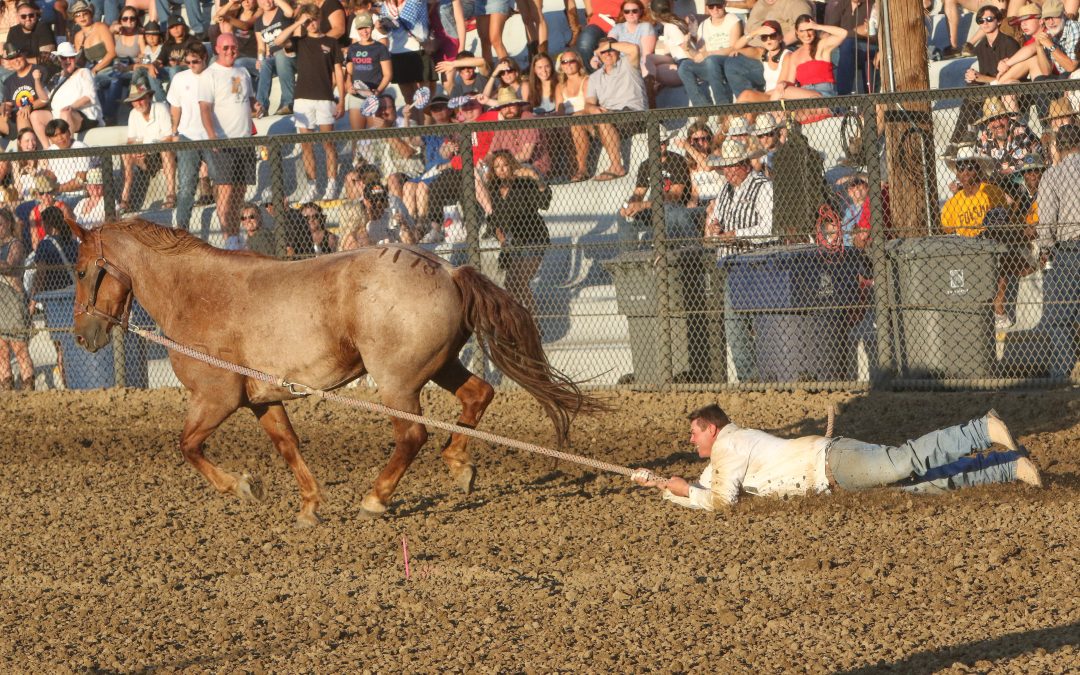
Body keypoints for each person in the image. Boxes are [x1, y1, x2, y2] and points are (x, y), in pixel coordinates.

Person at [631, 404, 1043, 511]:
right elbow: (707, 489)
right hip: (831, 476)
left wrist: (684, 490)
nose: (691, 439)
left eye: (694, 431)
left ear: (713, 429)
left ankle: (980, 430)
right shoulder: (723, 455)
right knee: (921, 484)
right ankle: (1005, 468)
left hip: (831, 462)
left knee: (903, 462)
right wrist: (666, 488)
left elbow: (721, 500)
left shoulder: (729, 447)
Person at [705, 139, 774, 383]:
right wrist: (715, 226)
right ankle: (748, 379)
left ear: (745, 164)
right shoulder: (725, 190)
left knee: (761, 323)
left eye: (733, 166)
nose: (728, 171)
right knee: (734, 327)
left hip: (756, 264)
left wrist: (735, 235)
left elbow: (768, 228)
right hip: (730, 265)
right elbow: (719, 219)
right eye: (725, 166)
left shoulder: (762, 186)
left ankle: (769, 375)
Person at [277, 5, 344, 203]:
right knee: (306, 145)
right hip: (302, 98)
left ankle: (331, 184)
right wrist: (298, 22)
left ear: (319, 19)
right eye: (308, 21)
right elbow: (278, 41)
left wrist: (341, 99)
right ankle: (312, 186)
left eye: (314, 20)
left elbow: (338, 71)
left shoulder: (331, 42)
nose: (312, 24)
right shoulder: (300, 41)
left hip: (325, 97)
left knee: (328, 143)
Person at [476, 149, 551, 318]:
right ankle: (520, 318)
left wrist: (536, 178)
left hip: (533, 238)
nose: (502, 169)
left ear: (512, 166)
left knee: (520, 280)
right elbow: (493, 219)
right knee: (511, 283)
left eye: (505, 165)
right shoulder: (494, 189)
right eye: (497, 167)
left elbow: (544, 202)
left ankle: (533, 320)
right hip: (513, 243)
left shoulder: (522, 183)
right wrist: (500, 237)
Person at [201, 32, 260, 239]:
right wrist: (211, 135)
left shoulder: (243, 71)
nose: (229, 51)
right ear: (217, 49)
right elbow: (205, 108)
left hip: (244, 139)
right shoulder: (210, 74)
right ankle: (229, 238)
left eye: (233, 47)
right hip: (223, 141)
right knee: (225, 191)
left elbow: (249, 100)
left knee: (240, 190)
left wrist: (257, 106)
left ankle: (235, 235)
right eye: (225, 47)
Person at [1034, 123, 1080, 380]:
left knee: (1057, 314)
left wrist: (1045, 249)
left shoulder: (1054, 174)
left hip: (1069, 249)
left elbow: (1047, 220)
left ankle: (1061, 371)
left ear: (1059, 148)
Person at [617, 127, 695, 250]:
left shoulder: (677, 161)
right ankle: (628, 254)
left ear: (667, 143)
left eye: (662, 142)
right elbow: (638, 193)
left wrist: (643, 205)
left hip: (675, 208)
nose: (659, 146)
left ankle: (670, 248)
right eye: (656, 142)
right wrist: (630, 204)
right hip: (652, 207)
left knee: (668, 208)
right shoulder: (645, 165)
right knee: (622, 213)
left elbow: (674, 196)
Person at [166, 41, 212, 231]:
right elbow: (175, 106)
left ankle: (229, 225)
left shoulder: (213, 75)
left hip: (212, 135)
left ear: (205, 59)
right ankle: (182, 229)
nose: (191, 65)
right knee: (186, 186)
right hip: (188, 136)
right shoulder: (179, 78)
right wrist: (174, 130)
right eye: (188, 62)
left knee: (225, 182)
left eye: (196, 62)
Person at [585, 37, 646, 181]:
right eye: (603, 51)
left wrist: (609, 45)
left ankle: (616, 166)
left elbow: (634, 49)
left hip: (633, 115)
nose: (607, 53)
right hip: (609, 117)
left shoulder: (628, 64)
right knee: (577, 117)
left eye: (610, 50)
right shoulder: (594, 77)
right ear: (598, 54)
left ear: (618, 51)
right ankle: (581, 169)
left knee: (603, 118)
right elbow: (588, 103)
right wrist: (592, 108)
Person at [120, 82, 176, 213]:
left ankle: (171, 194)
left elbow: (170, 138)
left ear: (149, 98)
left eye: (141, 99)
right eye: (135, 100)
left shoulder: (161, 108)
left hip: (164, 153)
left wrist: (148, 149)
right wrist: (135, 151)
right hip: (145, 157)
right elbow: (131, 141)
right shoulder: (133, 114)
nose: (138, 103)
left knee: (165, 149)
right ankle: (125, 199)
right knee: (125, 153)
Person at [975, 96, 1042, 200]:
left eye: (1000, 117)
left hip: (1021, 186)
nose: (997, 123)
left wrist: (1004, 173)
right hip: (994, 188)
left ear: (1007, 117)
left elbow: (1032, 164)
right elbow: (977, 168)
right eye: (992, 119)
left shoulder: (1022, 132)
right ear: (987, 123)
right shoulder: (983, 139)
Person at [678, 0, 742, 107]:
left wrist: (710, 53)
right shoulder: (703, 25)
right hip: (710, 65)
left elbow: (734, 47)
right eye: (711, 6)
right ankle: (702, 107)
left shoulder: (733, 20)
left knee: (712, 60)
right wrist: (688, 48)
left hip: (729, 63)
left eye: (719, 6)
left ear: (725, 5)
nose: (715, 9)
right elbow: (699, 56)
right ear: (707, 8)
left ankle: (723, 106)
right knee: (684, 66)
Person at [772, 15, 846, 101]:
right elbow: (790, 82)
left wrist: (818, 26)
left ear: (814, 31)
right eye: (802, 31)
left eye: (809, 29)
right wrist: (783, 83)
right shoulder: (794, 55)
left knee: (781, 92)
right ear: (797, 33)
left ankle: (768, 113)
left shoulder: (822, 46)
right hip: (804, 98)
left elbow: (843, 33)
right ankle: (770, 114)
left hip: (824, 95)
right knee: (779, 91)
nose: (806, 34)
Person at [940, 146, 1009, 238]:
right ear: (957, 175)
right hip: (966, 249)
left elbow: (1002, 222)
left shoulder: (992, 192)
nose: (965, 172)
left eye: (970, 167)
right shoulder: (951, 204)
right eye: (961, 168)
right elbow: (945, 230)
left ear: (978, 170)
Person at [70, 0, 120, 124]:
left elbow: (112, 52)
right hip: (91, 69)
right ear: (74, 19)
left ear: (90, 14)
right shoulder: (78, 36)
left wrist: (96, 69)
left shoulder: (101, 27)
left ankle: (109, 115)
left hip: (108, 65)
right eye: (78, 15)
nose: (81, 17)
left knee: (114, 81)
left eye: (84, 13)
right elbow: (80, 61)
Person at [0, 206, 33, 391]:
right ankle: (7, 388)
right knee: (2, 350)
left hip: (13, 301)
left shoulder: (16, 244)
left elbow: (10, 266)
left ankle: (28, 388)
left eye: (0, 224)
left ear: (8, 225)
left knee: (19, 348)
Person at [345, 11, 391, 132]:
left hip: (373, 96)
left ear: (371, 28)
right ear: (356, 30)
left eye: (367, 27)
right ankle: (355, 152)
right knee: (357, 135)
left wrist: (378, 91)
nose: (364, 32)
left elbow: (388, 74)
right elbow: (349, 73)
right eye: (361, 28)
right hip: (356, 96)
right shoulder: (352, 48)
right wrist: (348, 86)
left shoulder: (380, 48)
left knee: (374, 135)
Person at [0, 41, 50, 146]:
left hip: (37, 116)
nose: (16, 61)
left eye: (18, 56)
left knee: (22, 114)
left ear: (24, 55)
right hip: (16, 120)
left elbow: (45, 99)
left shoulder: (39, 70)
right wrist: (4, 108)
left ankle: (29, 156)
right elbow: (8, 104)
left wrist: (30, 106)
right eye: (12, 58)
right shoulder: (9, 81)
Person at [726, 21, 788, 104]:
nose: (768, 39)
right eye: (764, 37)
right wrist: (756, 32)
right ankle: (733, 116)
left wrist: (759, 95)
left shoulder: (787, 55)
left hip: (781, 97)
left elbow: (782, 86)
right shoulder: (763, 53)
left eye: (772, 36)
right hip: (767, 97)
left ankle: (730, 116)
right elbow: (736, 46)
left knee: (747, 95)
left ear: (780, 38)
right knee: (747, 107)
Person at [48, 41, 101, 135]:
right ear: (59, 59)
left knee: (65, 113)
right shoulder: (56, 77)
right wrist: (36, 80)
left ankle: (69, 148)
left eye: (71, 57)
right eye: (64, 58)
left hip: (84, 115)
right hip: (57, 115)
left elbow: (89, 97)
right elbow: (46, 98)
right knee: (36, 116)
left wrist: (71, 107)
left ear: (75, 59)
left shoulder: (84, 72)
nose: (68, 60)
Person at [254, 0, 296, 116]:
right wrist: (260, 58)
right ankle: (261, 105)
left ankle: (288, 103)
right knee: (264, 63)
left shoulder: (282, 12)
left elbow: (291, 12)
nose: (267, 2)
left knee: (280, 56)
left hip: (290, 54)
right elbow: (261, 47)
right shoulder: (258, 22)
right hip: (273, 58)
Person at [43, 118, 91, 207]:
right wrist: (42, 179)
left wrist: (57, 188)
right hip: (57, 195)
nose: (60, 138)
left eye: (62, 133)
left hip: (79, 195)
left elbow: (80, 181)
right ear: (50, 139)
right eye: (55, 135)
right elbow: (51, 174)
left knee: (53, 207)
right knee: (23, 208)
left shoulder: (81, 148)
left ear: (69, 132)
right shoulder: (51, 150)